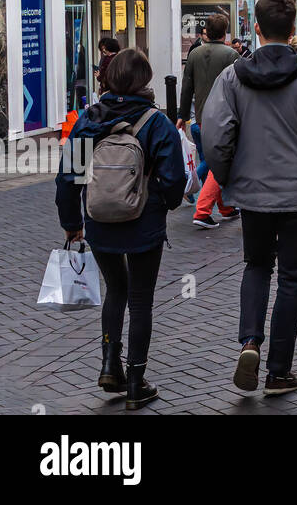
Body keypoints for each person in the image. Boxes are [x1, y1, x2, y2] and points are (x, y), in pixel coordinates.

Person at [200, 0, 297, 397]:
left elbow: (215, 135)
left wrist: (230, 176)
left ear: (256, 29)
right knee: (292, 279)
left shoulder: (232, 77)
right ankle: (279, 372)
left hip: (253, 196)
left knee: (257, 266)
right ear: (294, 30)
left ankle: (249, 342)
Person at [56, 48, 187, 410]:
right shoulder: (155, 122)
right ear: (144, 80)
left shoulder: (88, 119)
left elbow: (69, 177)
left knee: (116, 289)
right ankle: (135, 381)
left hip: (99, 222)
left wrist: (72, 224)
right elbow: (175, 178)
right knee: (141, 299)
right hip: (143, 223)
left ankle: (109, 364)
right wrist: (163, 203)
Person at [176, 12, 239, 228]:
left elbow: (187, 88)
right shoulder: (231, 55)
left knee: (215, 158)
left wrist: (182, 116)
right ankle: (203, 210)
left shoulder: (194, 54)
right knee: (220, 162)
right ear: (225, 31)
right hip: (226, 117)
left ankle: (226, 208)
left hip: (202, 117)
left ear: (207, 31)